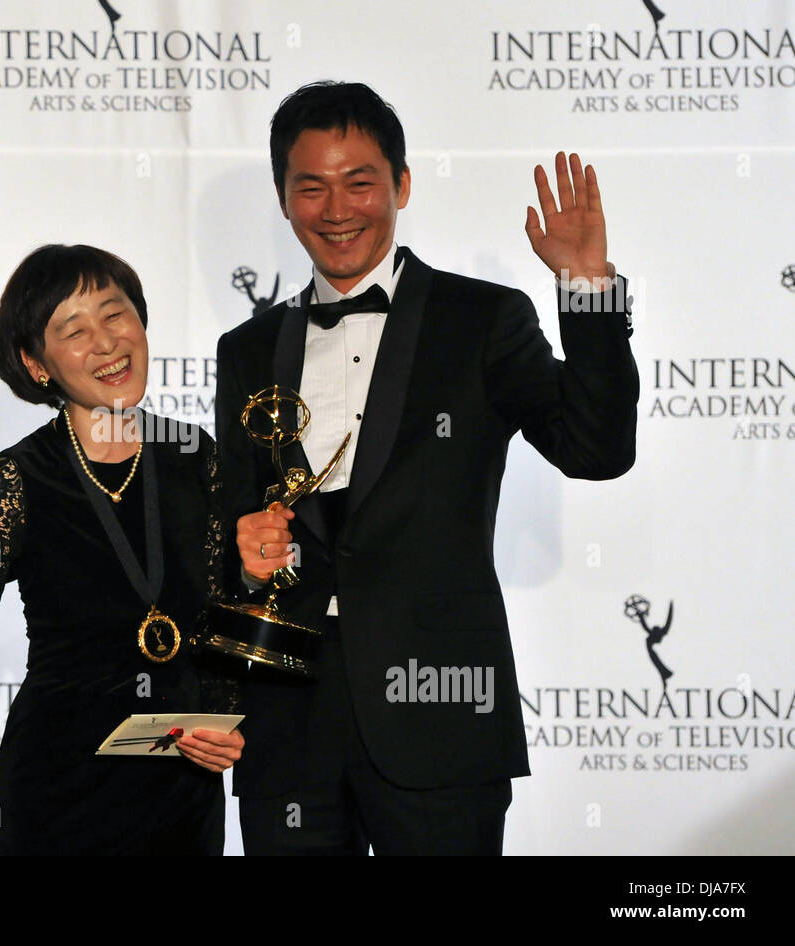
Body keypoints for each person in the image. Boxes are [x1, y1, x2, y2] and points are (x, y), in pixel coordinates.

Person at [218, 81, 638, 855]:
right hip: (288, 727)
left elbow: (597, 450)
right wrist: (241, 554)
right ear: (283, 200)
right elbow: (231, 532)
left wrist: (585, 287)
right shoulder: (245, 349)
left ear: (401, 185)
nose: (337, 209)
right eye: (311, 186)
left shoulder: (482, 319)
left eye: (360, 181)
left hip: (441, 712)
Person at [0, 244, 244, 855]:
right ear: (36, 364)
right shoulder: (18, 477)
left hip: (180, 784)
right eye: (74, 329)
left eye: (115, 314)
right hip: (60, 787)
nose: (106, 343)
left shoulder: (194, 455)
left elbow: (221, 607)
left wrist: (224, 718)